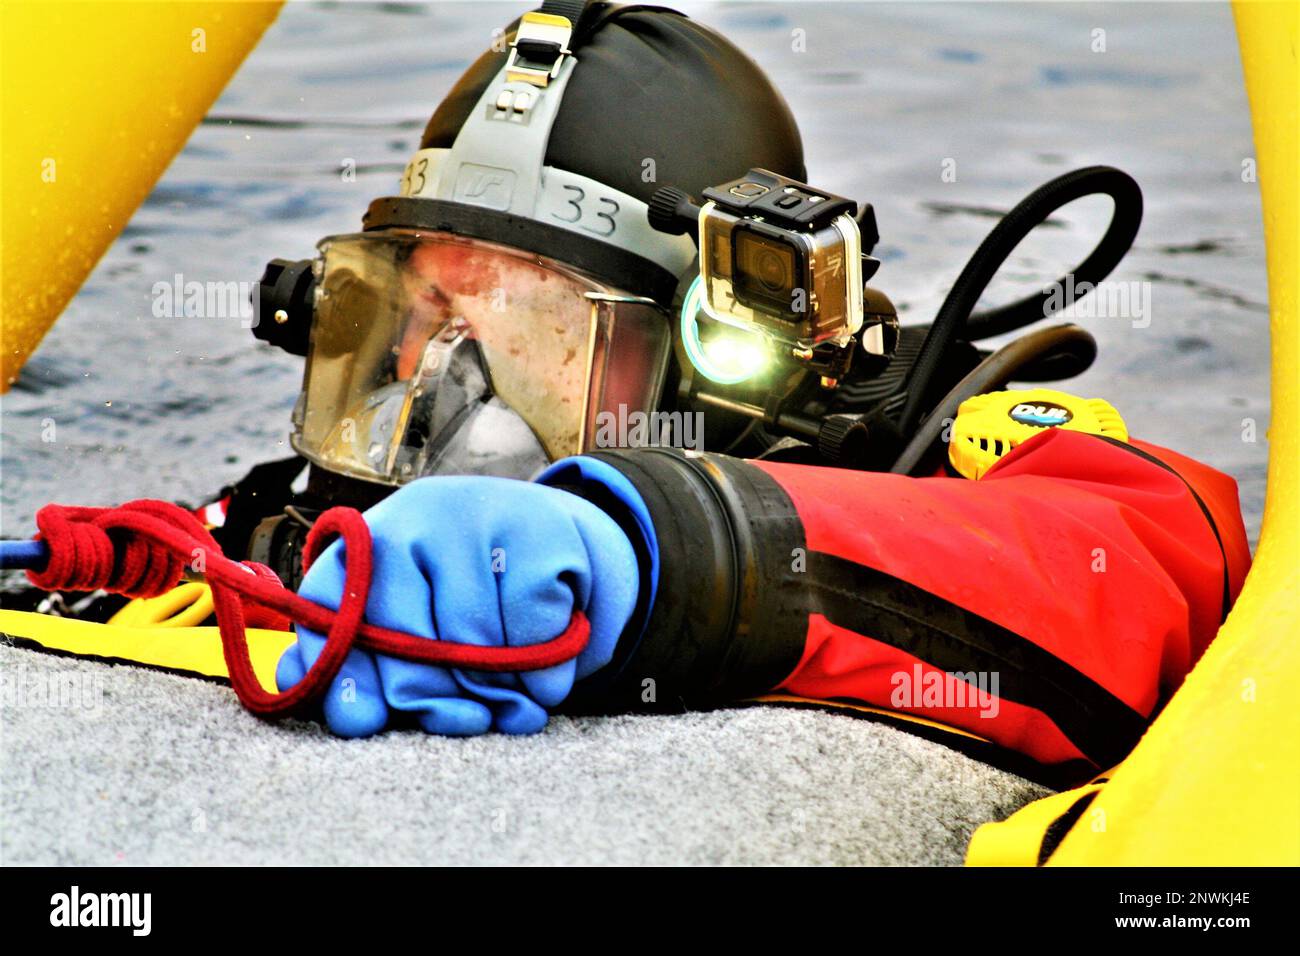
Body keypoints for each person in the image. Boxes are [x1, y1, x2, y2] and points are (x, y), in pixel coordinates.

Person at [245, 2, 1249, 784]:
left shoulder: (951, 462)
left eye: (526, 307)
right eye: (425, 301)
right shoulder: (303, 519)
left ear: (703, 351)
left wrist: (649, 551)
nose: (441, 369)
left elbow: (1162, 566)